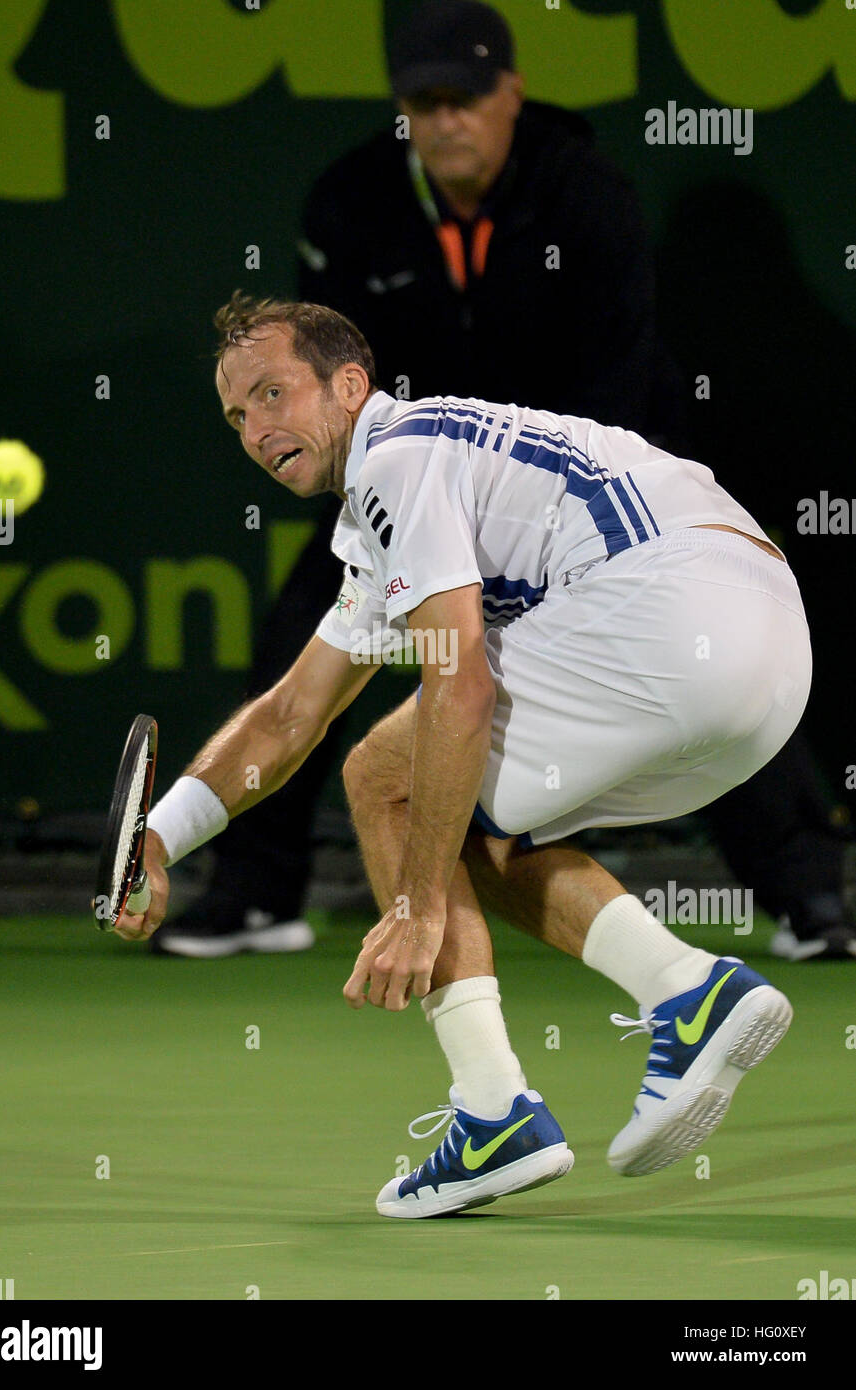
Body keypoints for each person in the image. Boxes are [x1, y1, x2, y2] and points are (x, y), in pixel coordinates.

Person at [154, 0, 854, 964]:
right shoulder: (353, 201)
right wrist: (157, 832)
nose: (445, 118)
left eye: (466, 96)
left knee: (465, 739)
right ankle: (251, 893)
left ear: (510, 94)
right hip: (405, 475)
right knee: (323, 678)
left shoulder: (584, 191)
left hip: (589, 483)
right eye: (423, 100)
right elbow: (324, 387)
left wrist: (508, 499)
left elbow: (616, 359)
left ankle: (809, 896)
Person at [120, 296, 809, 1217]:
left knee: (389, 779)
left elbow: (462, 686)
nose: (255, 428)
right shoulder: (398, 509)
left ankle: (495, 1109)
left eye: (274, 393)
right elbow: (290, 716)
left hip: (664, 607)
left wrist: (410, 908)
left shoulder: (397, 463)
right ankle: (680, 992)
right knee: (477, 821)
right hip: (765, 668)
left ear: (349, 387)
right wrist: (157, 841)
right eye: (237, 414)